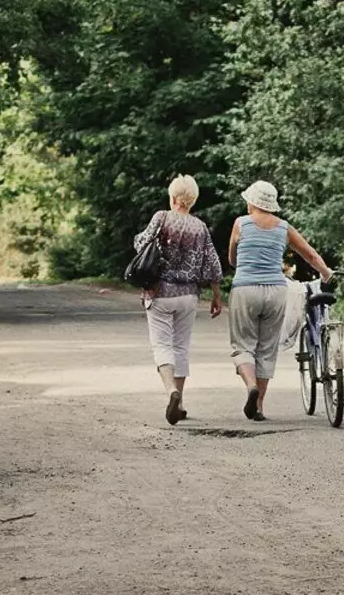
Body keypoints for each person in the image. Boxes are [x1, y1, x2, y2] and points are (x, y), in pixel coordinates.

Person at [228, 180, 333, 421]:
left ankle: (250, 386)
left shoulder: (240, 224)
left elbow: (232, 259)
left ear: (252, 202)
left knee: (243, 345)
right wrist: (326, 274)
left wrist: (241, 259)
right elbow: (310, 254)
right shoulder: (284, 228)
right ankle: (260, 406)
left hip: (245, 289)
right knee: (266, 348)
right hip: (276, 291)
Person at [133, 175, 224, 426]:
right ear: (192, 200)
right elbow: (212, 263)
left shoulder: (161, 217)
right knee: (181, 348)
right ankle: (180, 403)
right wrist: (216, 296)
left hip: (160, 292)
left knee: (162, 346)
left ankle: (170, 391)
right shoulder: (200, 227)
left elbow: (141, 244)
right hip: (188, 295)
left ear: (172, 198)